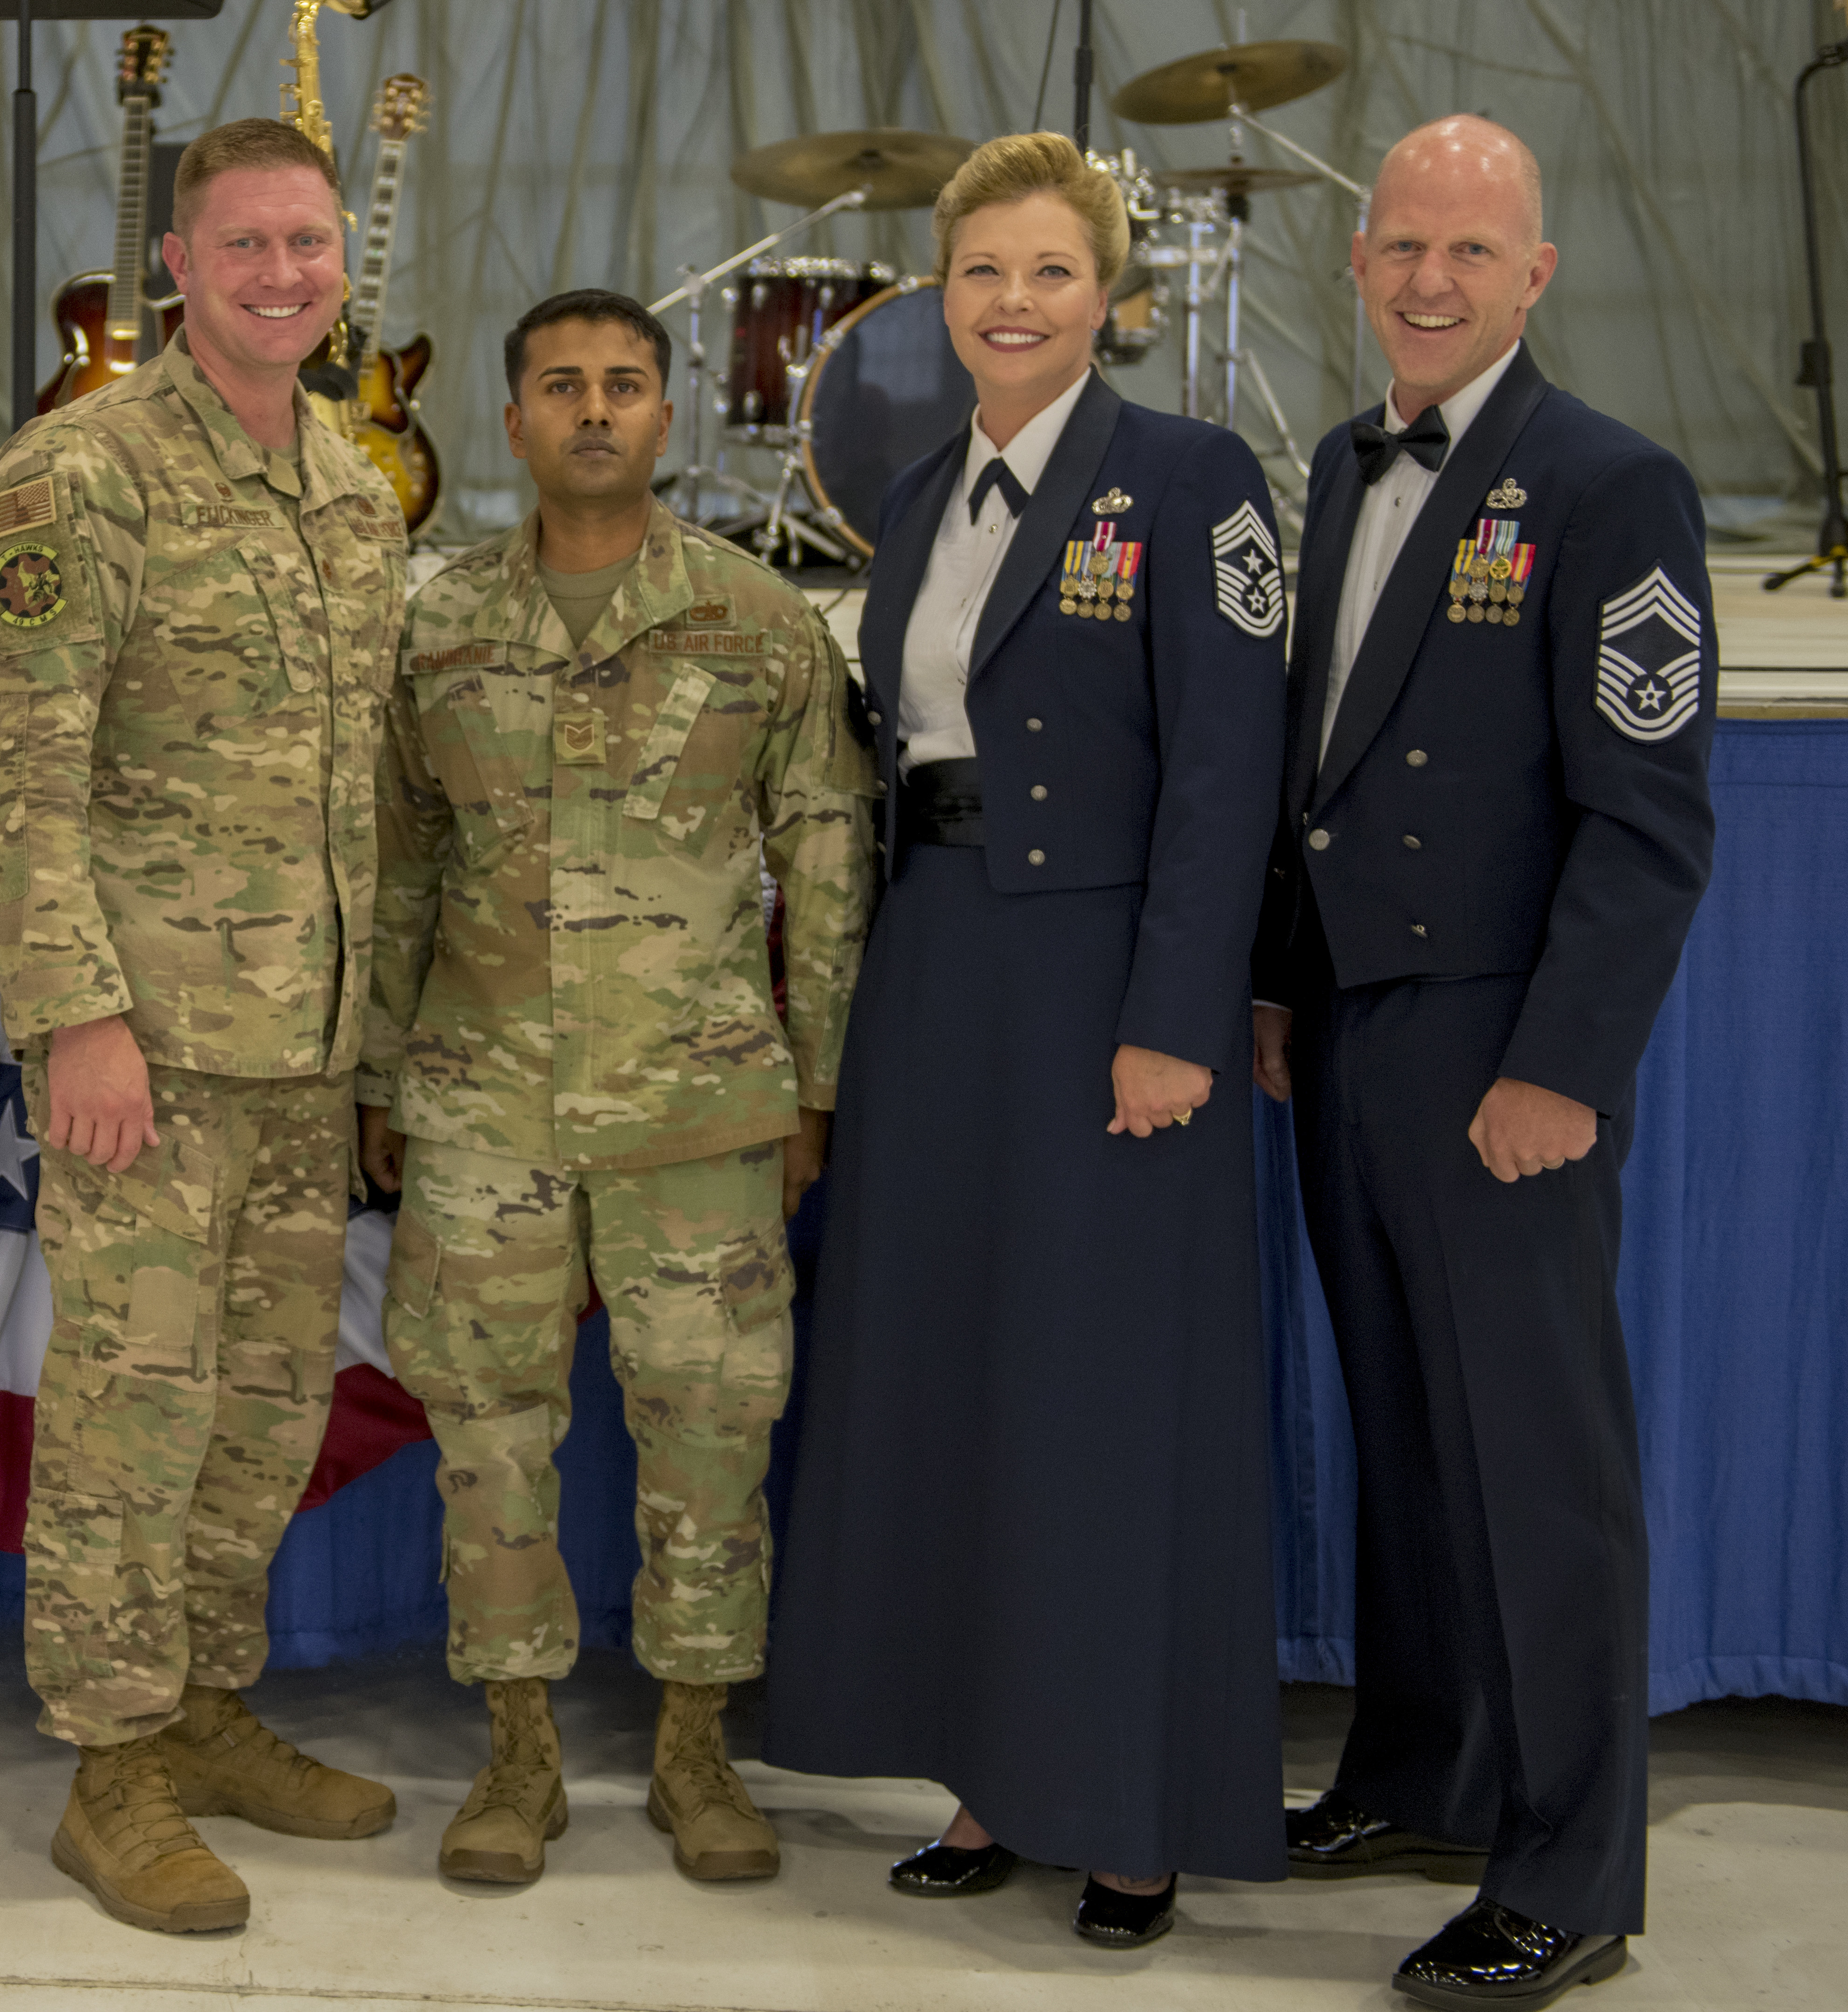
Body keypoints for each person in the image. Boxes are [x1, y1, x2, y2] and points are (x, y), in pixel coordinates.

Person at [761, 131, 1290, 1948]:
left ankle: (1125, 1805)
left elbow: (1226, 783)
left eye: (1050, 271)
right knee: (956, 1380)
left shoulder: (1191, 479)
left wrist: (1172, 1019)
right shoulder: (911, 497)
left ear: (1112, 297)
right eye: (981, 271)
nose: (1012, 302)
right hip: (936, 974)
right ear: (938, 289)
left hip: (1097, 989)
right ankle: (988, 1776)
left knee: (1101, 1401)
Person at [1251, 115, 1714, 2011]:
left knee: (1535, 1466)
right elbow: (1323, 776)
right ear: (1355, 264)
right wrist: (1283, 987)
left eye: (1468, 252)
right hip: (1353, 1033)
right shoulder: (1345, 470)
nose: (1427, 282)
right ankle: (1424, 1773)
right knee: (1407, 1440)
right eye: (1399, 248)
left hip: (1500, 1051)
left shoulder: (1610, 483)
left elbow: (1645, 820)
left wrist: (1563, 1065)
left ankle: (1570, 1871)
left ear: (1533, 278)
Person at [0, 118, 411, 1938]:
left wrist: (368, 1048)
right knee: (131, 1417)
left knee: (263, 1409)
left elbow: (358, 787)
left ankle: (207, 1703)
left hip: (305, 1045)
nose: (283, 273)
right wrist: (74, 1015)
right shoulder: (81, 477)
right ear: (176, 267)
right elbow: (14, 765)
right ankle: (112, 1769)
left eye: (308, 244)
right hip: (148, 1043)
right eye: (246, 247)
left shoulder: (355, 494)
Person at [356, 290, 877, 1889]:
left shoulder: (760, 620)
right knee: (492, 1441)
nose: (596, 409)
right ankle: (518, 1754)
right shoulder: (435, 623)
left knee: (710, 1433)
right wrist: (379, 1071)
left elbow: (829, 857)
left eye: (627, 386)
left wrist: (820, 1089)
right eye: (563, 386)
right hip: (482, 1108)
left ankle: (696, 1753)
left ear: (670, 418)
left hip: (702, 1111)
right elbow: (396, 863)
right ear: (508, 422)